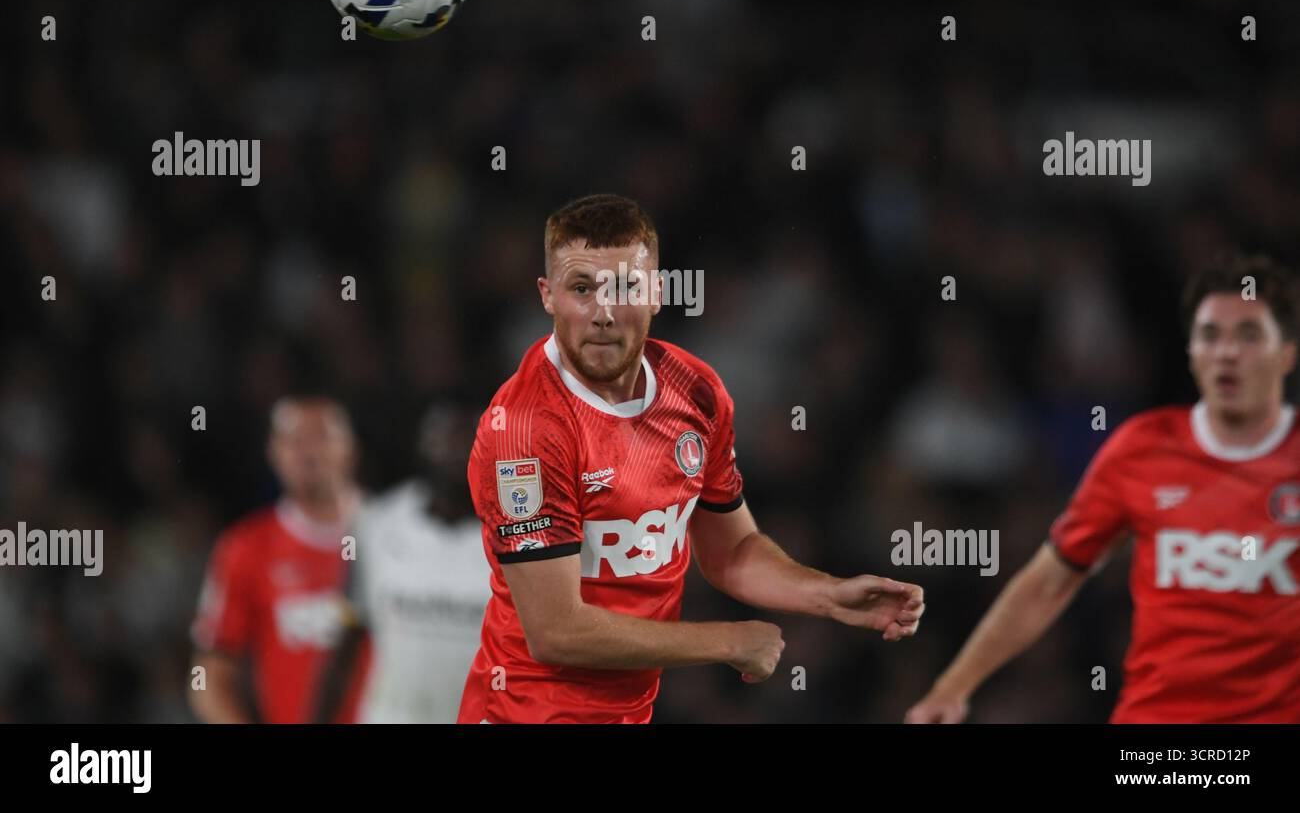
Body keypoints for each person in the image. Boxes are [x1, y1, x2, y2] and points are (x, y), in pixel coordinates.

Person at [457, 194, 925, 723]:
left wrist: (829, 596)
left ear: (657, 292)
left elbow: (730, 551)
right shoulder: (525, 428)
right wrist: (725, 642)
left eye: (625, 287)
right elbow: (555, 630)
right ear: (548, 296)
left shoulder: (695, 391)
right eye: (582, 289)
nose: (604, 313)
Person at [906, 253, 1300, 723]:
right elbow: (1049, 581)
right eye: (1211, 335)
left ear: (1287, 353)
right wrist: (954, 686)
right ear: (1192, 352)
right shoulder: (1141, 450)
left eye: (1249, 335)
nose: (1227, 353)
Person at [189, 397, 364, 723]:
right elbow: (208, 677)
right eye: (294, 440)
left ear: (351, 448)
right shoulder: (245, 548)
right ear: (273, 453)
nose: (308, 453)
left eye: (322, 437)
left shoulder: (396, 534)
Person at [313, 400, 490, 723]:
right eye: (445, 438)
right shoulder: (377, 524)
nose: (456, 451)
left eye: (469, 439)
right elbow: (347, 638)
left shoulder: (518, 535)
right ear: (423, 444)